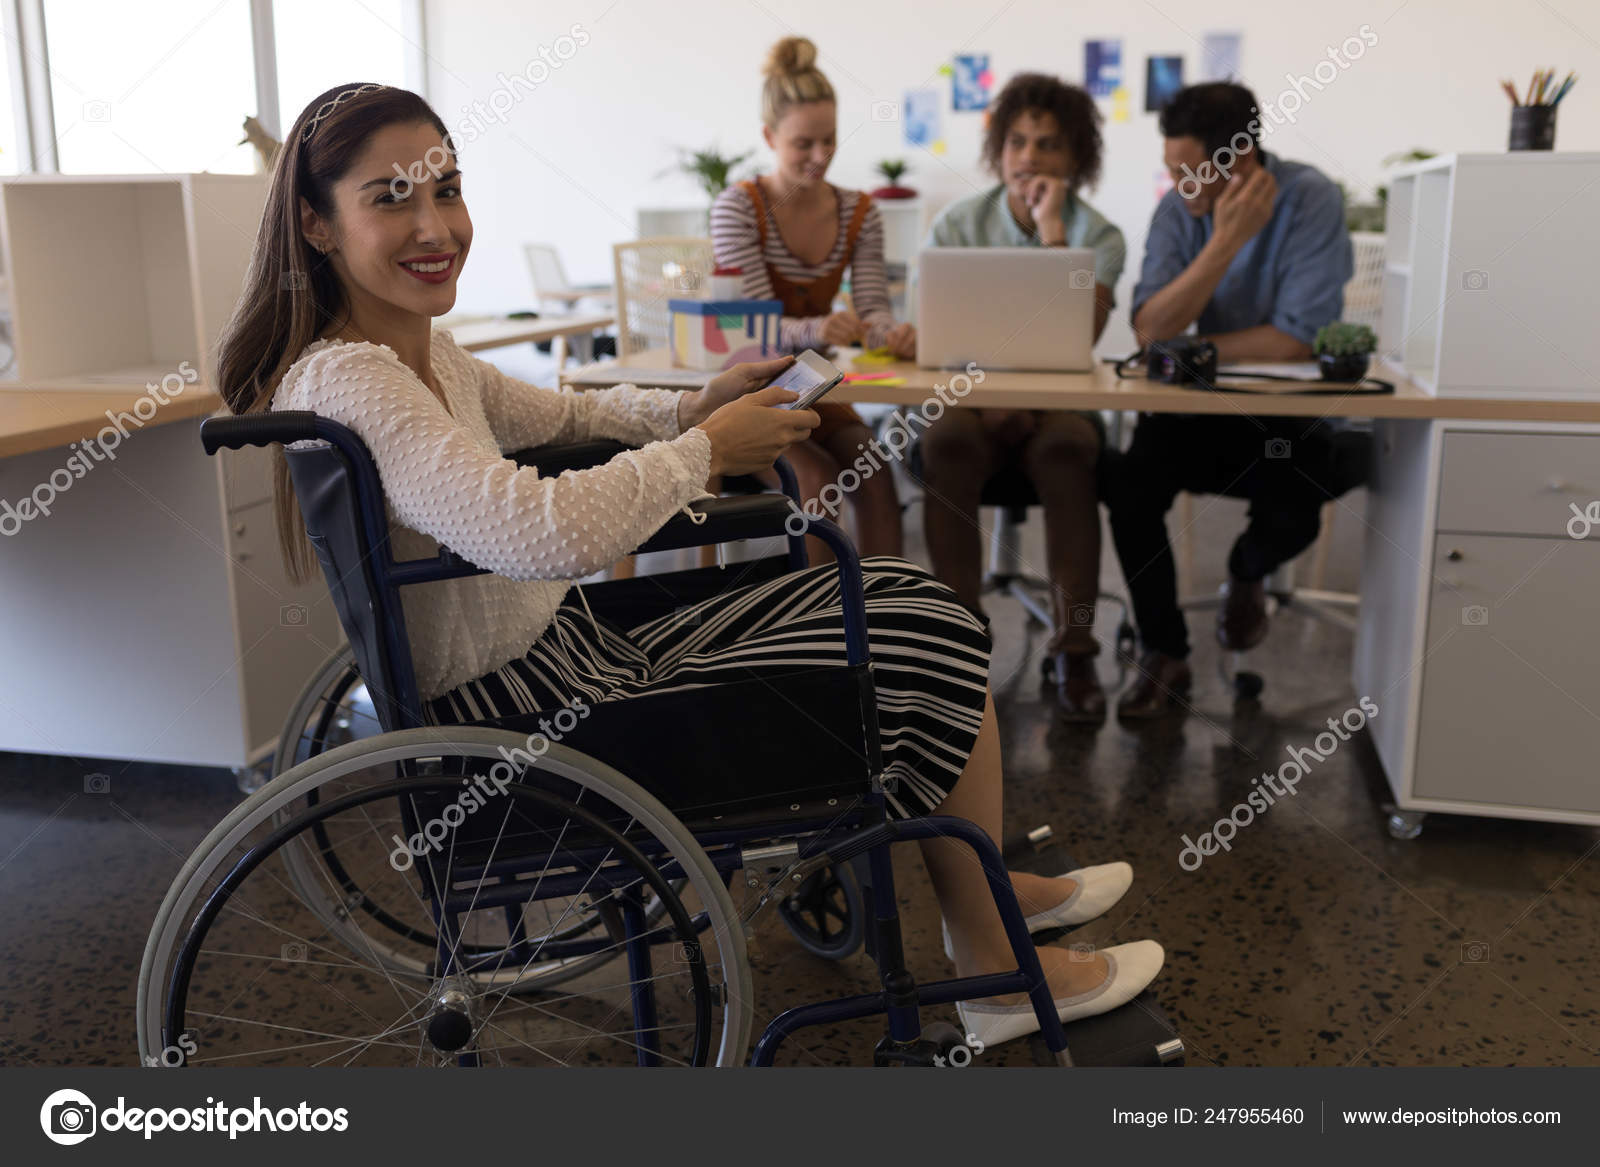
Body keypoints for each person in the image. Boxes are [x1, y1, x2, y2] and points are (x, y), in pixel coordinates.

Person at [215, 83, 1162, 1044]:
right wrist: (707, 452)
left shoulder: (420, 356)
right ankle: (995, 966)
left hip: (565, 664)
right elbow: (536, 532)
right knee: (916, 627)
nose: (436, 225)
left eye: (447, 188)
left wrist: (690, 407)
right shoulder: (358, 377)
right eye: (390, 198)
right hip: (526, 727)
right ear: (316, 224)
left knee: (903, 600)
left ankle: (987, 901)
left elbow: (572, 415)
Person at [1108, 81, 1356, 719]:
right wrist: (1222, 243)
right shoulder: (1179, 213)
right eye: (1171, 172)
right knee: (1131, 489)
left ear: (1239, 162)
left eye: (1190, 175)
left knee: (1306, 493)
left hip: (1283, 419)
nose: (1180, 189)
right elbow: (1148, 331)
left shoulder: (1310, 199)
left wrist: (1189, 345)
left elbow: (1297, 341)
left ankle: (1247, 571)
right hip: (1191, 417)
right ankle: (1166, 651)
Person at [916, 73, 1126, 722]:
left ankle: (1075, 646)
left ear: (1076, 159)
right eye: (1017, 142)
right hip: (968, 404)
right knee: (944, 441)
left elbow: (1084, 334)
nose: (1029, 157)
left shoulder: (1101, 235)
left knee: (1067, 449)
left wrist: (1053, 229)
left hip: (1058, 412)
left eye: (1048, 145)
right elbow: (934, 338)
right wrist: (989, 397)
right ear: (998, 150)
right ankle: (962, 637)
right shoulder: (956, 223)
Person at [710, 36, 908, 561]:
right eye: (803, 144)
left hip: (813, 384)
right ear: (769, 136)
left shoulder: (858, 212)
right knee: (818, 482)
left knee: (875, 470)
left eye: (830, 140)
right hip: (744, 388)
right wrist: (818, 328)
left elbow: (871, 311)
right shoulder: (737, 207)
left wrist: (893, 334)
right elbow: (748, 328)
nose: (820, 157)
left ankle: (884, 616)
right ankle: (822, 631)